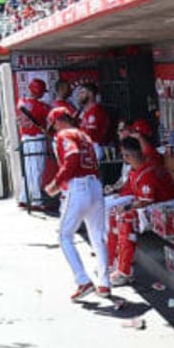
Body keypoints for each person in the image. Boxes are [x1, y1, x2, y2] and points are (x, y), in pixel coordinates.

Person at [45, 106, 108, 300]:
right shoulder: (84, 136)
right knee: (98, 237)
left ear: (58, 121)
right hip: (95, 184)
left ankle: (83, 280)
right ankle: (104, 283)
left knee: (64, 236)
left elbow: (72, 158)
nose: (54, 130)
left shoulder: (64, 134)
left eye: (53, 126)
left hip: (78, 186)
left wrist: (56, 183)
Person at [104, 135, 174, 286]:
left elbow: (147, 201)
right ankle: (112, 261)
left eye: (125, 155)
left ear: (129, 155)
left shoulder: (148, 171)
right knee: (113, 213)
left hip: (168, 208)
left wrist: (125, 207)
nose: (124, 158)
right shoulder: (137, 166)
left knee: (125, 218)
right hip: (154, 206)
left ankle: (124, 271)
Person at [15, 77, 51, 211]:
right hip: (36, 139)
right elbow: (49, 118)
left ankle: (24, 198)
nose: (43, 94)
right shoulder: (41, 107)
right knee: (36, 170)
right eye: (42, 92)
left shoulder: (21, 101)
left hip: (25, 139)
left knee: (28, 170)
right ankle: (36, 200)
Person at [75, 81, 112, 160]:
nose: (79, 95)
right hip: (87, 147)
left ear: (91, 94)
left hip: (96, 147)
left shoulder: (96, 111)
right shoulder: (85, 112)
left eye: (82, 92)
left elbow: (91, 134)